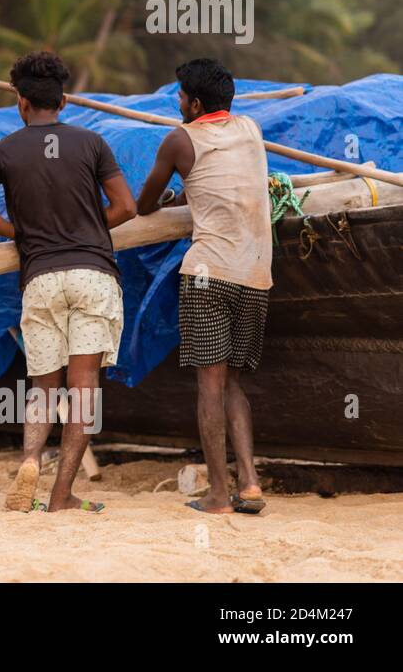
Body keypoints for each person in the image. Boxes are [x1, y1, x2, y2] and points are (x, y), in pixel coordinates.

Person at [0, 52, 136, 514]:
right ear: (63, 100)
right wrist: (87, 226)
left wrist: (19, 232)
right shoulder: (92, 143)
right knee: (84, 387)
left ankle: (30, 462)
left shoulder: (3, 151)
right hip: (92, 274)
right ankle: (62, 495)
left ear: (21, 102)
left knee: (42, 387)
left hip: (39, 277)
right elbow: (127, 207)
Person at [135, 58, 272, 516]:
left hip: (209, 274)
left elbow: (144, 203)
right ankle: (249, 484)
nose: (177, 104)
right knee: (233, 383)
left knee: (209, 386)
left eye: (179, 97)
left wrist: (176, 193)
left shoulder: (180, 139)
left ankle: (218, 494)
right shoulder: (252, 128)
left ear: (193, 103)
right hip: (256, 273)